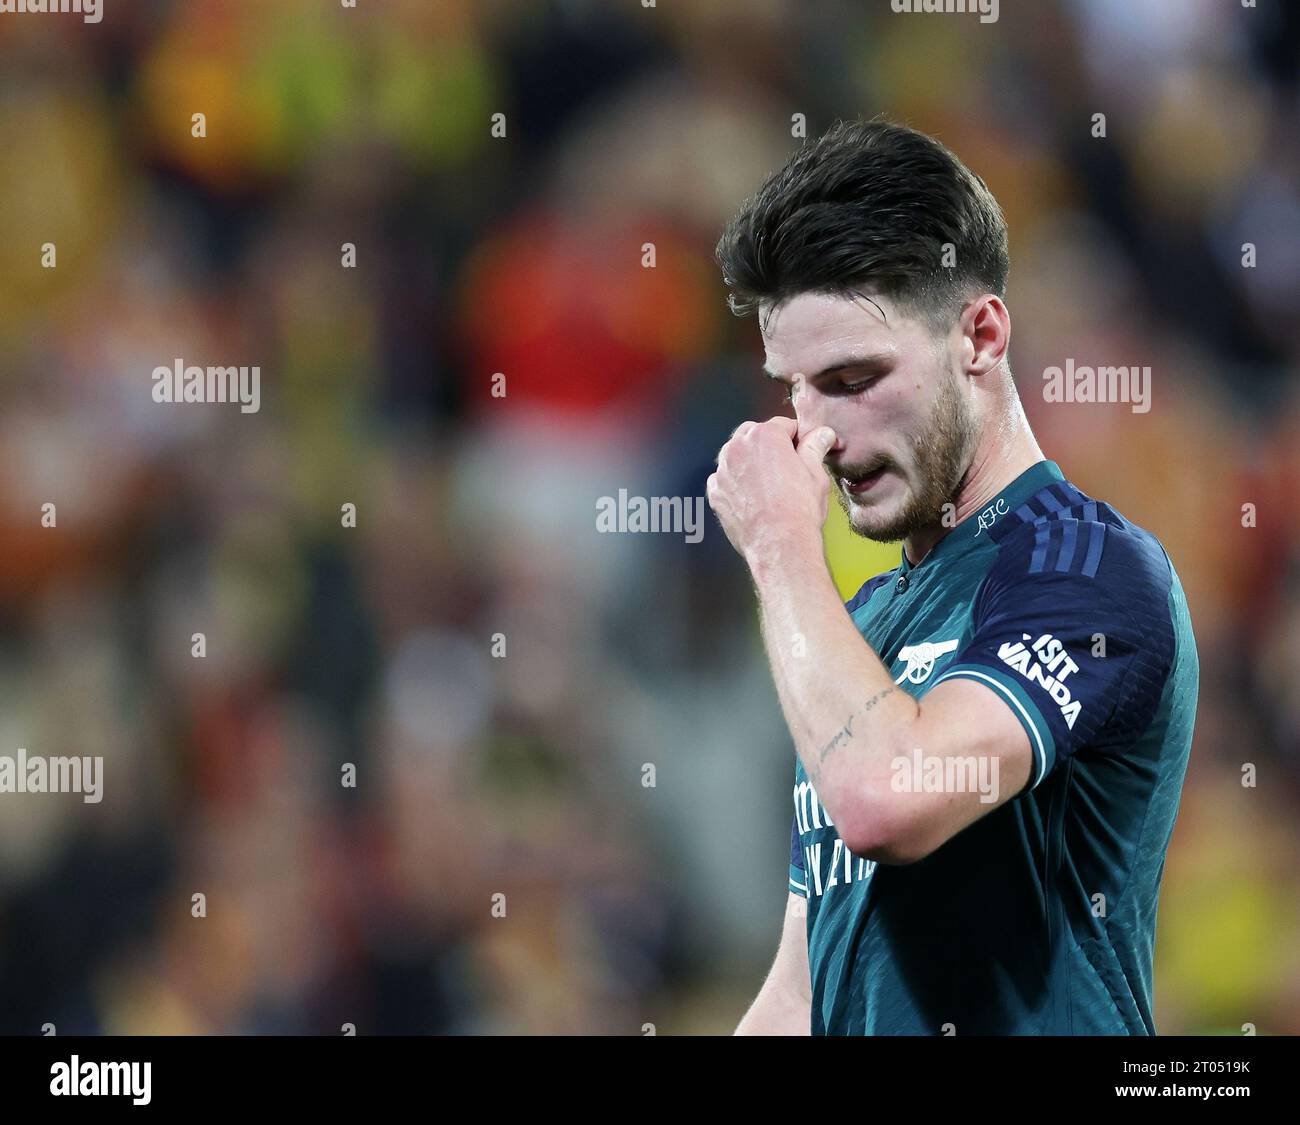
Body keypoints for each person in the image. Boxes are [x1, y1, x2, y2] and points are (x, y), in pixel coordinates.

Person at [708, 118, 1199, 1035]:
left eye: (854, 378)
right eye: (795, 388)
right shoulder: (856, 624)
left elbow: (888, 800)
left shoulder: (1088, 571)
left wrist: (780, 549)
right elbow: (800, 986)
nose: (816, 434)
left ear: (979, 334)